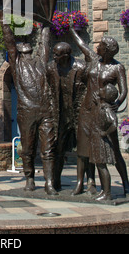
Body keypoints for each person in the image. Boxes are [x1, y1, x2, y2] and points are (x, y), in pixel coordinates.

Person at [0, 13, 57, 195]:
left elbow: (45, 41)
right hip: (26, 111)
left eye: (27, 43)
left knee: (48, 148)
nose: (24, 42)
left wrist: (46, 21)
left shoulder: (40, 60)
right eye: (20, 43)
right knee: (27, 148)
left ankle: (49, 182)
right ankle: (29, 178)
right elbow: (8, 38)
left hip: (45, 111)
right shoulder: (16, 64)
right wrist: (3, 17)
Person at [70, 26, 129, 200]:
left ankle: (125, 183)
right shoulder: (94, 60)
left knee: (114, 151)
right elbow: (82, 45)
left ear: (108, 50)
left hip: (102, 112)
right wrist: (72, 30)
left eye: (101, 45)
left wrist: (115, 105)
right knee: (83, 148)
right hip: (87, 110)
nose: (97, 47)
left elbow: (124, 90)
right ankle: (84, 183)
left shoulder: (117, 68)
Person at [46, 42, 86, 191]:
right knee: (58, 149)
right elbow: (48, 89)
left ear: (66, 55)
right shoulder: (51, 68)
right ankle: (55, 181)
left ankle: (88, 183)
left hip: (78, 114)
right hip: (60, 115)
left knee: (84, 150)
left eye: (57, 54)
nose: (54, 57)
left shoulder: (81, 68)